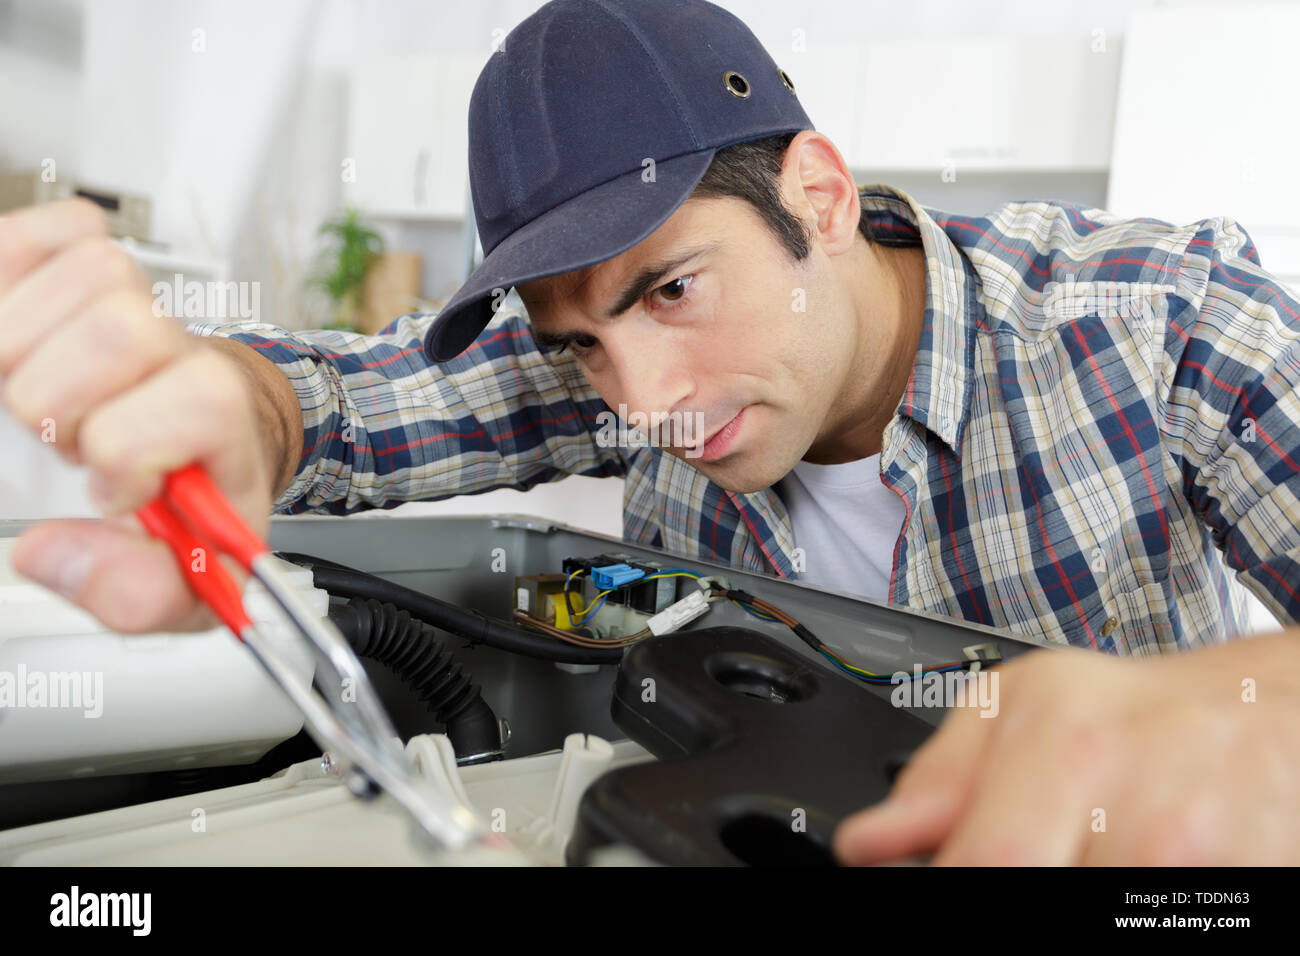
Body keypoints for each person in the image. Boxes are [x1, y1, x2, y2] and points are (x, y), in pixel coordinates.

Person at [3, 0, 1298, 864]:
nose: (640, 403)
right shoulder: (618, 367)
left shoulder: (1166, 323)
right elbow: (340, 400)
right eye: (577, 340)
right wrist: (239, 409)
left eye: (671, 288)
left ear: (821, 196)